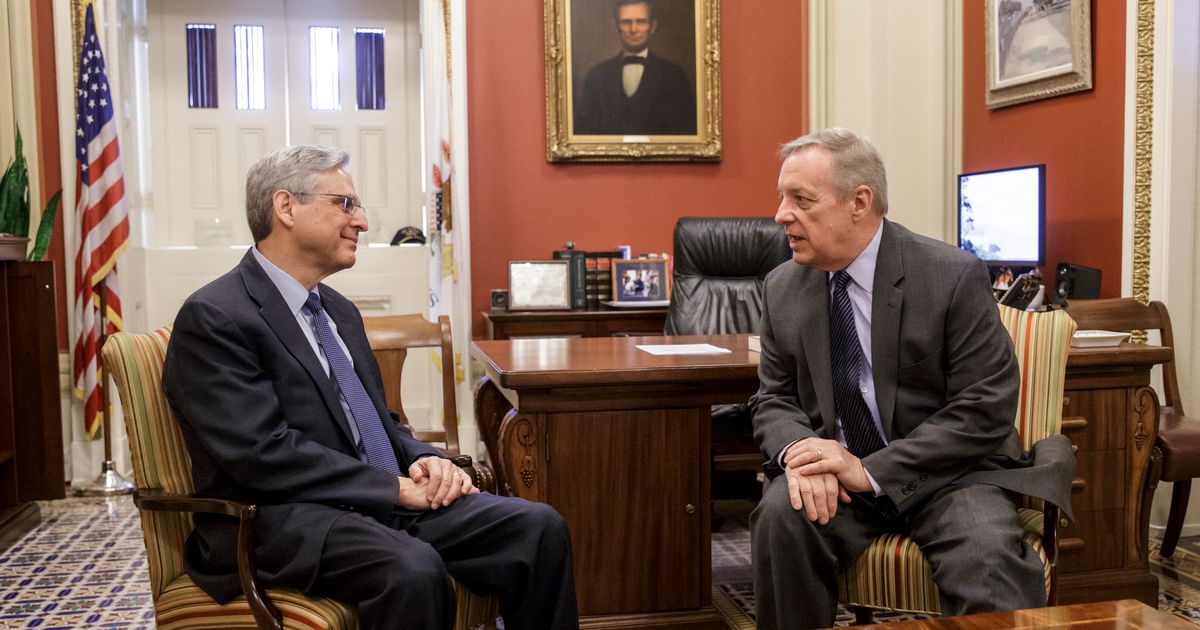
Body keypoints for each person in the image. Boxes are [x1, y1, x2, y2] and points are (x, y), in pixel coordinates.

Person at [162, 145, 578, 630]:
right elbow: (261, 453)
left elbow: (379, 422)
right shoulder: (215, 316)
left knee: (538, 528)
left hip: (366, 499)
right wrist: (393, 489)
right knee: (412, 569)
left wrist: (426, 460)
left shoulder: (338, 311)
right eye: (345, 204)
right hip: (277, 519)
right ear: (285, 207)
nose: (361, 221)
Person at [750, 128, 1074, 629]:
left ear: (859, 201)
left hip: (949, 475)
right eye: (781, 198)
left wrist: (872, 470)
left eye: (801, 200)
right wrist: (801, 451)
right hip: (838, 480)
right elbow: (773, 398)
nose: (781, 215)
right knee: (781, 515)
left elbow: (984, 408)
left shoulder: (951, 275)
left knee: (987, 558)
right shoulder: (782, 286)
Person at [573, 0, 696, 135]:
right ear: (615, 26)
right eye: (626, 22)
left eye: (641, 21)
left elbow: (684, 132)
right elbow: (586, 133)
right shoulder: (596, 76)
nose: (633, 30)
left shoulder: (674, 76)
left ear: (653, 26)